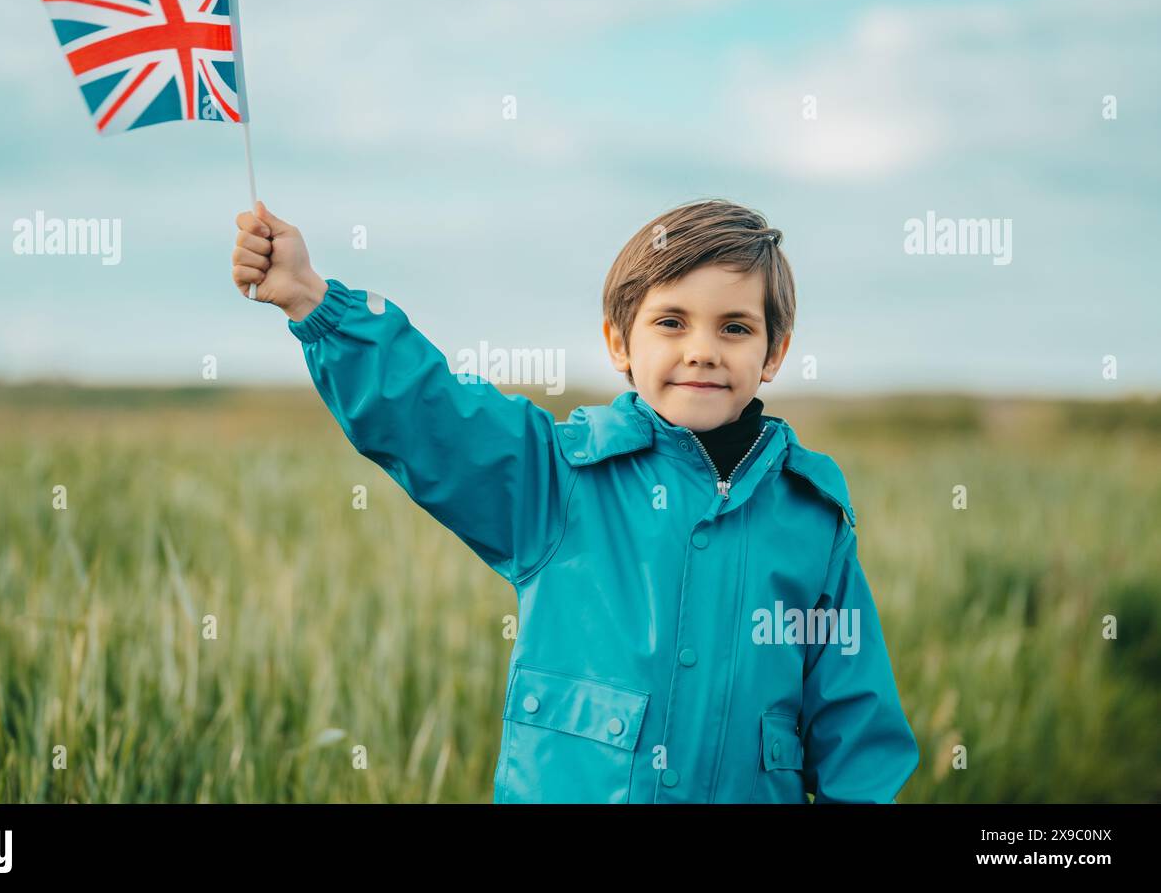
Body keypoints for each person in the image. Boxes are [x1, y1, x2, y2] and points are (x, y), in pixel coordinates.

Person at [228, 197, 919, 803]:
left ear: (773, 352)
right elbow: (431, 414)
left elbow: (854, 716)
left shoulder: (812, 517)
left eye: (734, 328)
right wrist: (313, 301)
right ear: (620, 341)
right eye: (671, 323)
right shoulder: (557, 476)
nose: (703, 350)